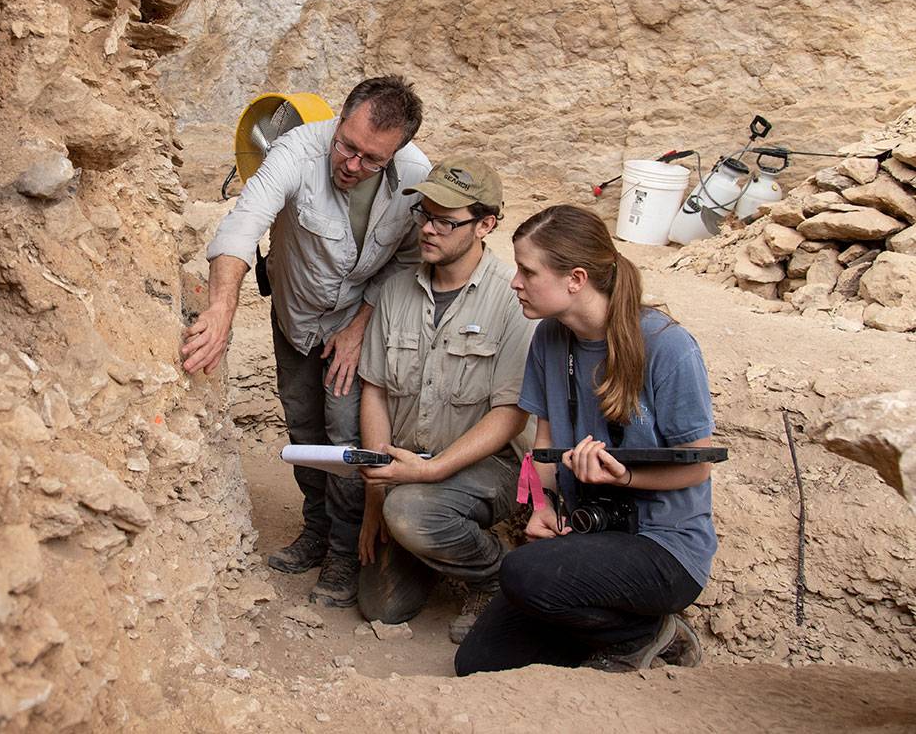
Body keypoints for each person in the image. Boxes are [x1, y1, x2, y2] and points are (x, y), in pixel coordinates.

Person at [182, 76, 431, 607]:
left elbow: (411, 262)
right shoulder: (298, 148)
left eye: (371, 160)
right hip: (295, 318)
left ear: (397, 152)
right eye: (347, 146)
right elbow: (242, 225)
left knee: (344, 436)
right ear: (339, 120)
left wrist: (361, 324)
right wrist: (222, 308)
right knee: (302, 428)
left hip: (359, 325)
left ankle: (343, 553)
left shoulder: (414, 176)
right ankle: (315, 529)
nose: (352, 165)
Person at [455, 204, 717, 675]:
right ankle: (607, 630)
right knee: (479, 663)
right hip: (586, 535)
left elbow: (699, 465)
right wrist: (542, 507)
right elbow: (546, 446)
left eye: (527, 271)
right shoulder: (550, 339)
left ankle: (647, 633)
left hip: (663, 547)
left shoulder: (668, 346)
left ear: (576, 279)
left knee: (522, 572)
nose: (515, 282)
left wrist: (628, 476)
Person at [355, 157, 537, 643]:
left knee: (411, 512)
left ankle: (494, 573)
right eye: (424, 216)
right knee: (381, 607)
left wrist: (431, 473)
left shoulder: (512, 299)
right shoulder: (395, 292)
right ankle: (436, 544)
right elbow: (374, 391)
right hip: (405, 469)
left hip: (486, 467)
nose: (427, 230)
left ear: (486, 225)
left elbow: (511, 415)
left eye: (444, 221)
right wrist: (376, 493)